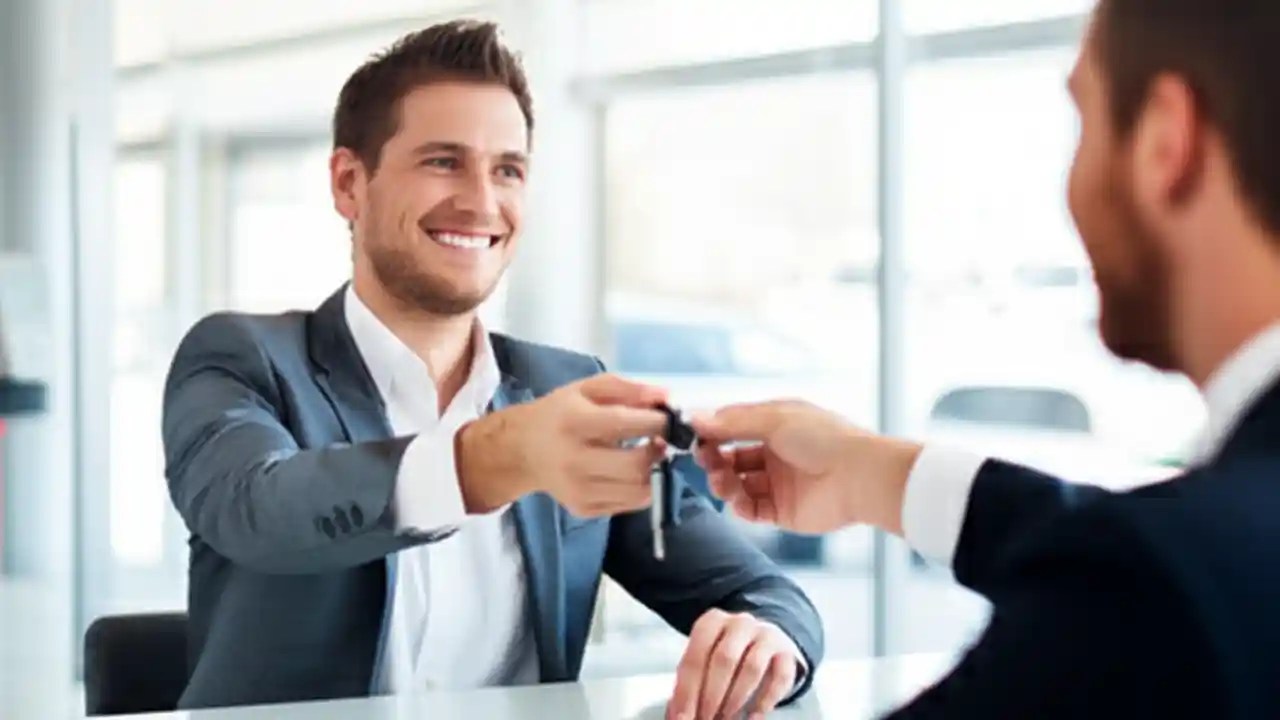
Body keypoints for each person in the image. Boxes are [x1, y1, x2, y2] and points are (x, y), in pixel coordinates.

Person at [160, 20, 821, 719]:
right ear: (350, 183)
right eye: (443, 161)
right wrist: (499, 457)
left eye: (507, 169)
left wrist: (768, 638)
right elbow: (261, 510)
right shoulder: (243, 359)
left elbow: (764, 594)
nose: (481, 201)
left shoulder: (566, 389)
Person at [691, 0, 1280, 717]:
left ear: (1165, 140)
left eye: (1085, 122)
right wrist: (874, 474)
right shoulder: (1204, 546)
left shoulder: (1154, 589)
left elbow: (1145, 573)